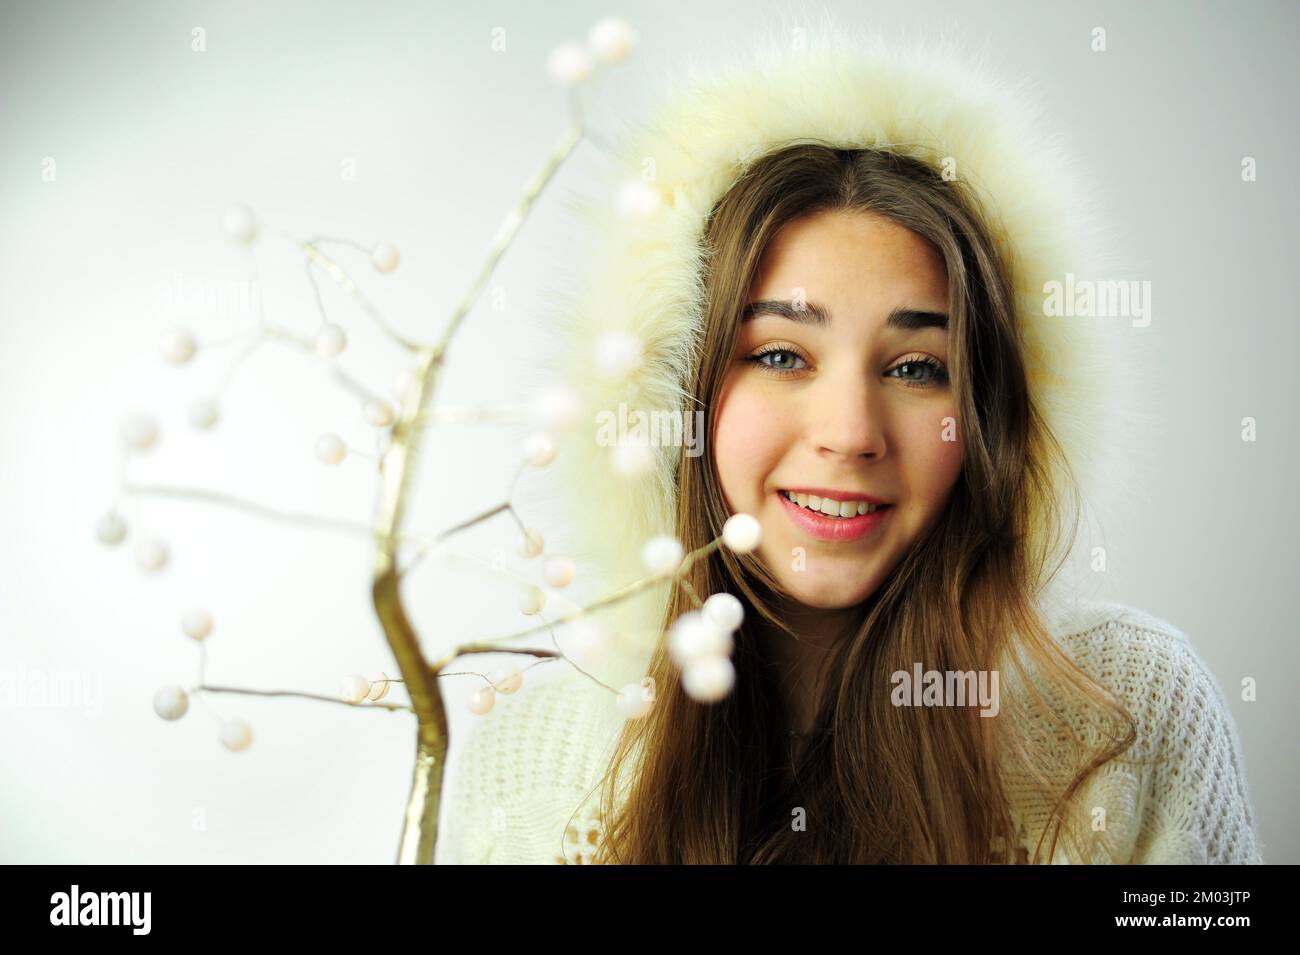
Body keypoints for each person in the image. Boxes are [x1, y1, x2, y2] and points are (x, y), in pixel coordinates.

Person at [437, 21, 1264, 864]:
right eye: (781, 355)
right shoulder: (524, 759)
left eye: (914, 368)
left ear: (986, 417)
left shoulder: (1128, 708)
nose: (850, 434)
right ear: (675, 388)